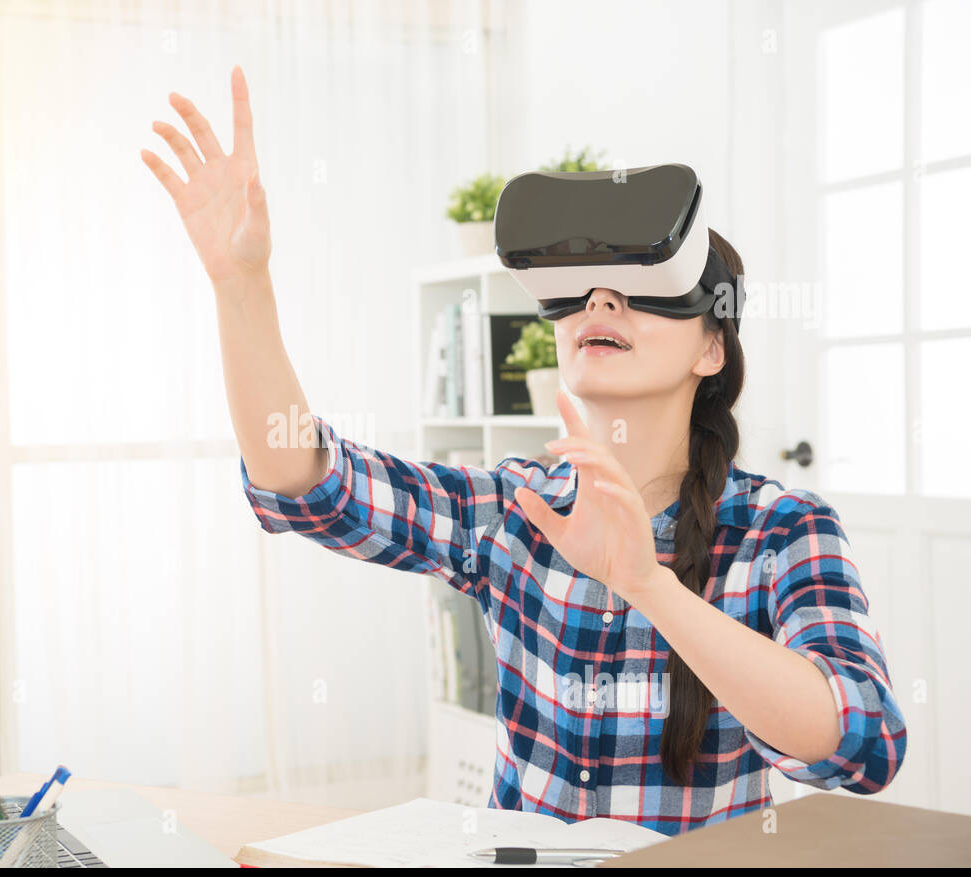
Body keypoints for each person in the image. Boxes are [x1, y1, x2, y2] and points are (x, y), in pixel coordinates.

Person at [140, 65, 906, 834]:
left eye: (640, 284)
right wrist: (241, 286)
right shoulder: (513, 510)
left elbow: (862, 741)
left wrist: (650, 585)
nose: (601, 302)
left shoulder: (783, 530)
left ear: (713, 348)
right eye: (583, 285)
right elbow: (305, 482)